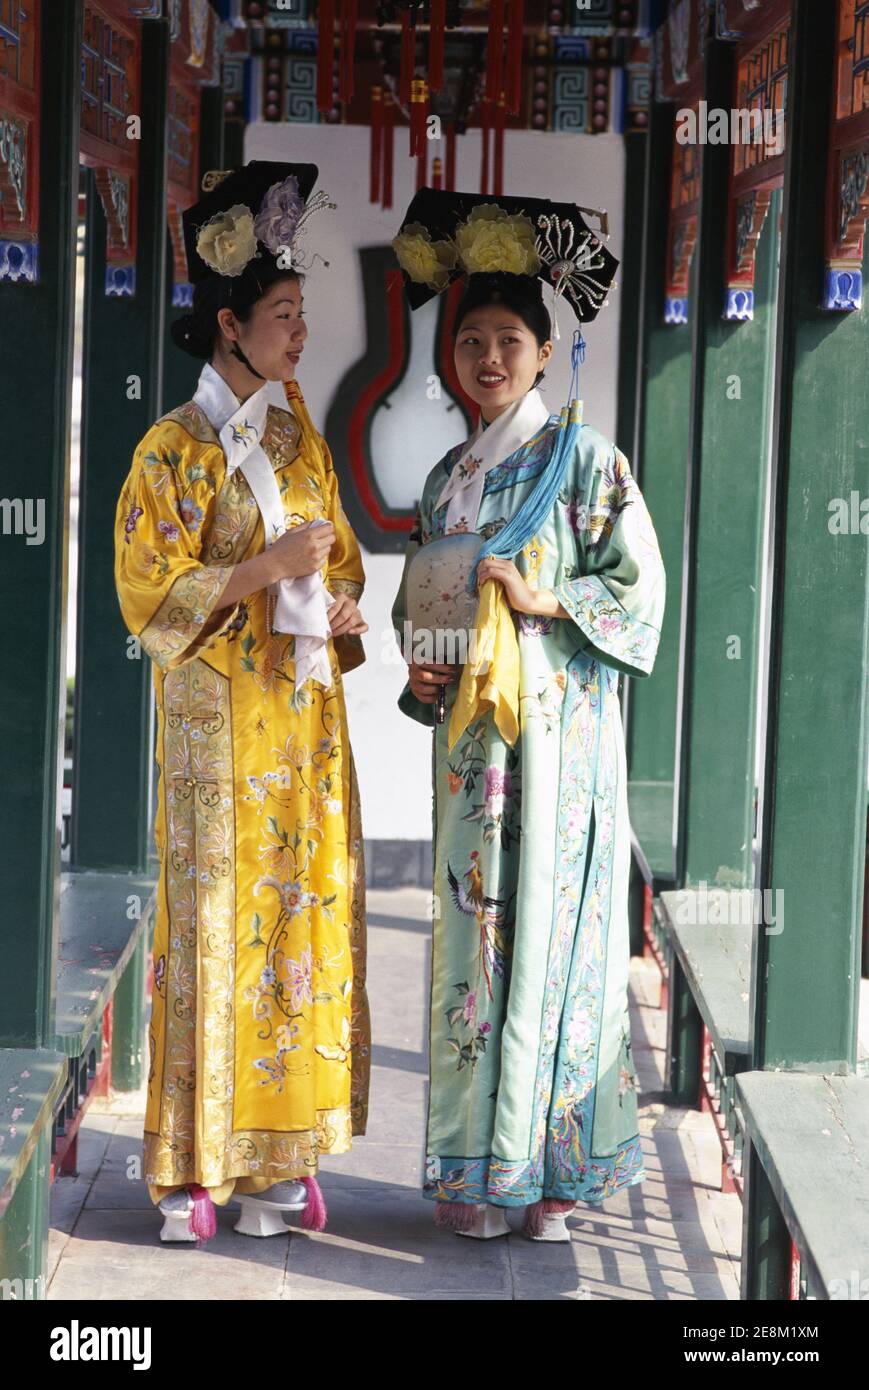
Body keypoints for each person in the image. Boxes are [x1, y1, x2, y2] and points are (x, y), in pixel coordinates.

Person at [390, 190, 666, 1241]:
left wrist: (550, 599)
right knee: (474, 948)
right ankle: (472, 1173)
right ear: (451, 358)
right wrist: (422, 677)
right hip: (470, 755)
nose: (488, 357)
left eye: (508, 340)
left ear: (546, 352)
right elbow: (429, 606)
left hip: (556, 750)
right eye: (470, 341)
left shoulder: (583, 461)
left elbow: (636, 591)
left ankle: (547, 1180)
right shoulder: (445, 479)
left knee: (552, 945)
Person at [113, 162, 371, 1244]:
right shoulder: (170, 449)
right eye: (281, 315)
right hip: (217, 744)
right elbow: (149, 600)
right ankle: (190, 1170)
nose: (299, 333)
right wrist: (264, 572)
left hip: (301, 731)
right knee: (213, 931)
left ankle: (275, 1161)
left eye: (303, 315)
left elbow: (338, 549)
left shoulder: (297, 435)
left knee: (293, 930)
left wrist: (344, 599)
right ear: (228, 324)